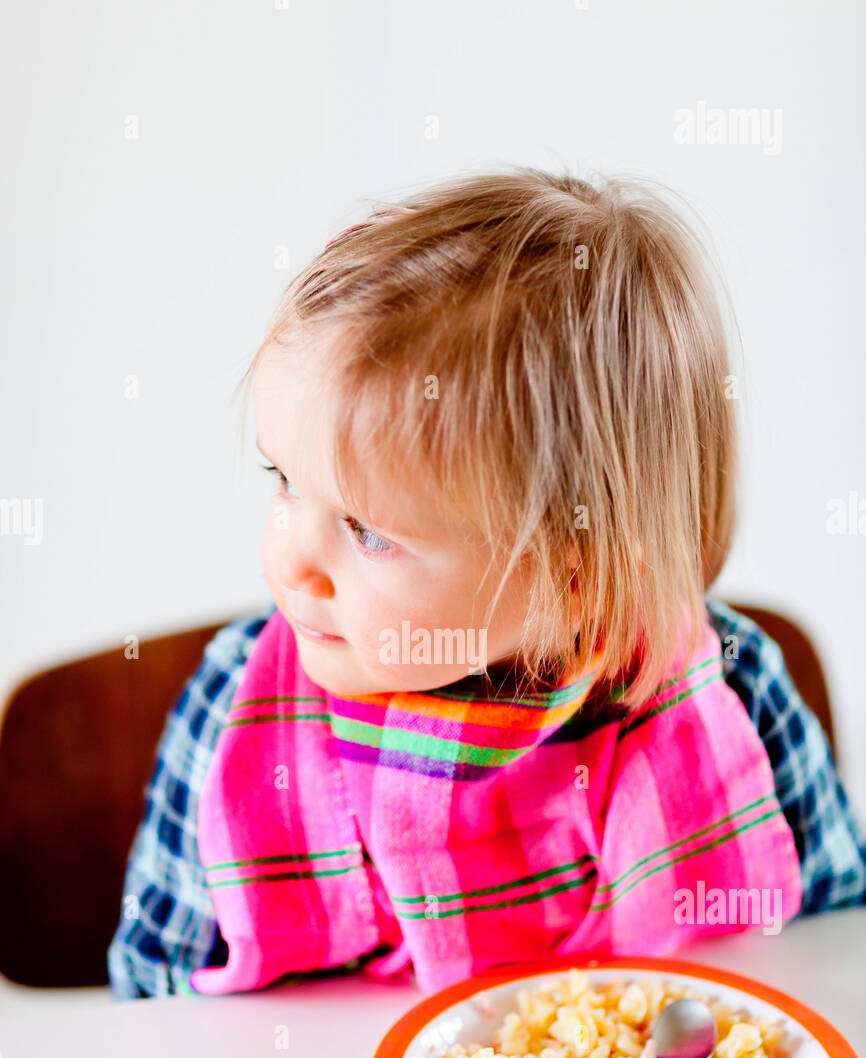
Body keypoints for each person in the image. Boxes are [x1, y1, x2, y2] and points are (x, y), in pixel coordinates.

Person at [107, 167, 866, 1000]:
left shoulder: (731, 690)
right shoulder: (238, 713)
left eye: (368, 531)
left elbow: (834, 959)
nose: (289, 560)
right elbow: (153, 1002)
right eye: (283, 480)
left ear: (573, 582)